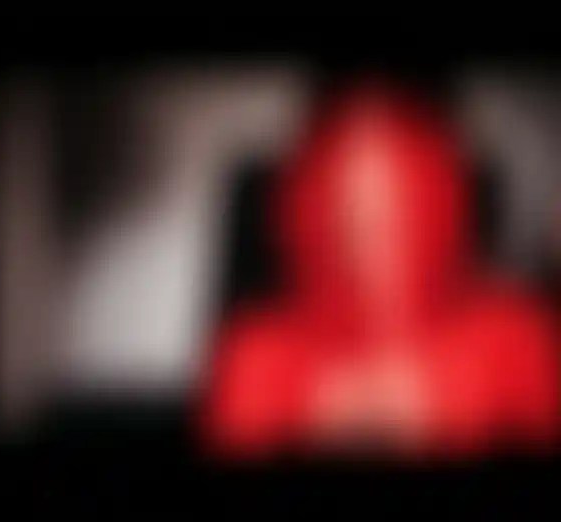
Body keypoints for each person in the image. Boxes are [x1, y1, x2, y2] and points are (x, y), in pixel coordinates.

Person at [202, 81, 558, 459]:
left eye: (401, 198)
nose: (369, 224)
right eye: (343, 199)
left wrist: (454, 398)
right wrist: (314, 408)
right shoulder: (254, 351)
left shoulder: (514, 333)